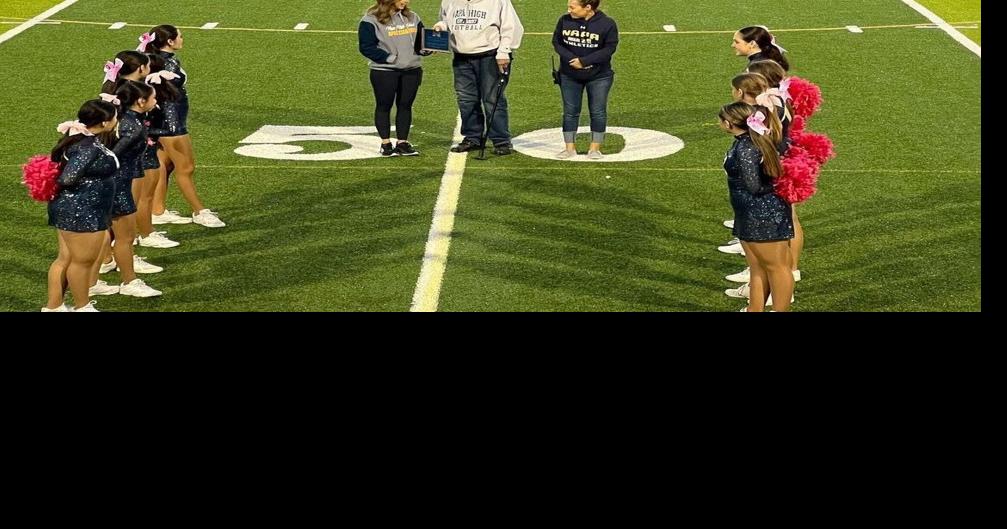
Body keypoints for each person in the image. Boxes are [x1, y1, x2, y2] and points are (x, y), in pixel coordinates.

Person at [432, 0, 524, 155]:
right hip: (461, 58)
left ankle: (501, 141)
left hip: (490, 56)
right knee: (466, 99)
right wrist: (441, 26)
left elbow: (510, 26)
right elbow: (447, 19)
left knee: (492, 99)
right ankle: (472, 137)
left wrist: (504, 51)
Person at [552, 0, 618, 160]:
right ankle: (569, 149)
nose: (569, 10)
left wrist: (584, 61)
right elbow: (557, 42)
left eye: (572, 7)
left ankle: (595, 149)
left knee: (598, 112)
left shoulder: (607, 24)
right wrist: (572, 59)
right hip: (569, 75)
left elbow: (609, 48)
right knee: (570, 112)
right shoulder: (564, 20)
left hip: (599, 76)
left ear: (588, 7)